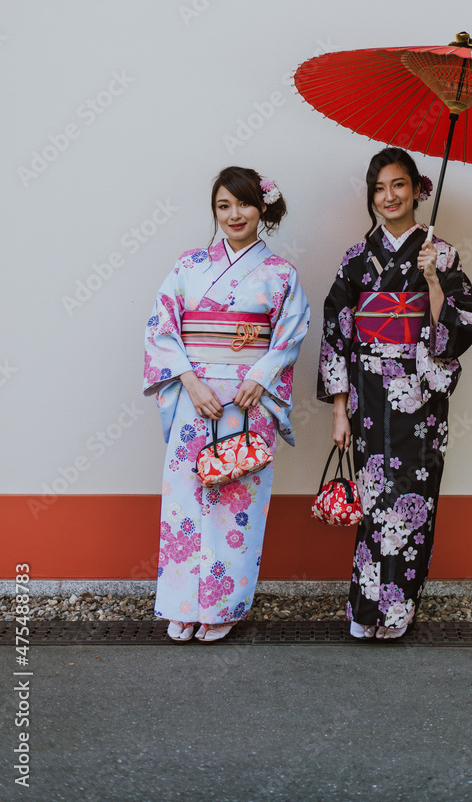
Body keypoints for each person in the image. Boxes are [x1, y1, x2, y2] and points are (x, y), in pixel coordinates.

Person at [318, 147, 472, 640]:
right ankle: (364, 610)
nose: (388, 196)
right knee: (375, 501)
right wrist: (340, 412)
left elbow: (463, 321)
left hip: (420, 397)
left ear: (417, 189)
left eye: (398, 185)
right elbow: (337, 332)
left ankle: (396, 613)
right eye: (379, 188)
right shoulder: (356, 259)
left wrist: (433, 278)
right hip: (368, 395)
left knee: (413, 502)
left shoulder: (442, 253)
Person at [144, 167, 309, 642]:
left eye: (243, 204)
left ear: (263, 208)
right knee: (184, 500)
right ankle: (181, 604)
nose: (234, 215)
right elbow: (161, 326)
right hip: (195, 397)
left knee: (238, 503)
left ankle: (222, 605)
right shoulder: (189, 265)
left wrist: (260, 377)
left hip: (247, 399)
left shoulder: (280, 274)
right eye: (223, 206)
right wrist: (191, 383)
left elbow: (290, 334)